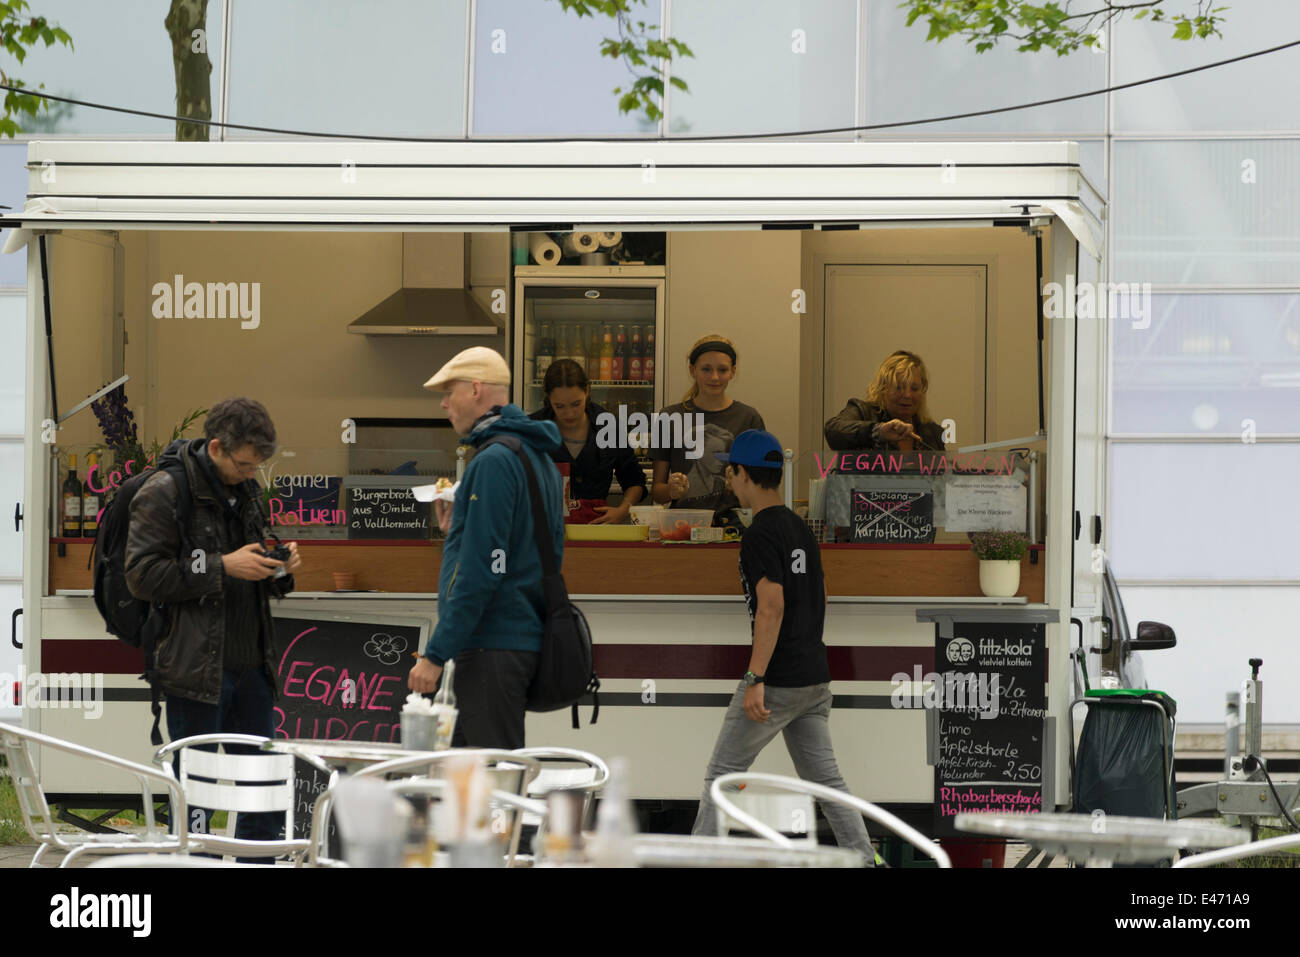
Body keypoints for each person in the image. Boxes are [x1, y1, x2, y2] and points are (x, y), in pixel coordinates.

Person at [690, 429, 875, 863]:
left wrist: (756, 677)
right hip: (814, 677)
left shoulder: (759, 535)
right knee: (827, 784)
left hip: (777, 680)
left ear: (741, 473)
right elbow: (821, 593)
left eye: (729, 471)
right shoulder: (800, 526)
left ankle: (693, 860)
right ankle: (862, 858)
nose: (728, 479)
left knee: (722, 775)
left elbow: (770, 606)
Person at [124, 397, 302, 846]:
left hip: (253, 668)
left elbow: (249, 562)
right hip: (196, 669)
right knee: (196, 797)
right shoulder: (166, 490)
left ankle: (257, 863)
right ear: (217, 447)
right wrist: (223, 566)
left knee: (261, 792)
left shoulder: (245, 490)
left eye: (257, 466)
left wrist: (278, 569)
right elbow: (142, 574)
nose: (251, 473)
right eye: (244, 464)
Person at [408, 346, 564, 750]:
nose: (444, 404)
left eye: (449, 392)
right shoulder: (534, 454)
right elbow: (519, 550)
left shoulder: (493, 461)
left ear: (476, 389)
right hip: (514, 639)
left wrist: (436, 654)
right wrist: (457, 531)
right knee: (468, 781)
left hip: (493, 642)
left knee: (494, 786)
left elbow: (483, 571)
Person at [650, 334, 764, 525]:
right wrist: (671, 490)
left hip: (734, 528)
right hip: (683, 528)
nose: (715, 377)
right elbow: (657, 492)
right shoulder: (669, 417)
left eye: (722, 370)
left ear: (733, 372)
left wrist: (741, 486)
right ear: (692, 370)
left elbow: (762, 490)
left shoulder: (748, 418)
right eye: (706, 369)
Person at [529, 359, 646, 524]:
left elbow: (634, 481)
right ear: (548, 399)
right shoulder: (532, 429)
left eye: (576, 404)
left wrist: (623, 510)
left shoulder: (607, 426)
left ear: (587, 391)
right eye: (560, 406)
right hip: (544, 528)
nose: (569, 413)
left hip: (595, 527)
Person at [824, 350, 945, 453]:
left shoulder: (932, 433)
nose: (907, 395)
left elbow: (944, 475)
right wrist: (878, 431)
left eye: (914, 389)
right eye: (899, 387)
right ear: (883, 388)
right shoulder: (863, 412)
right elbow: (833, 430)